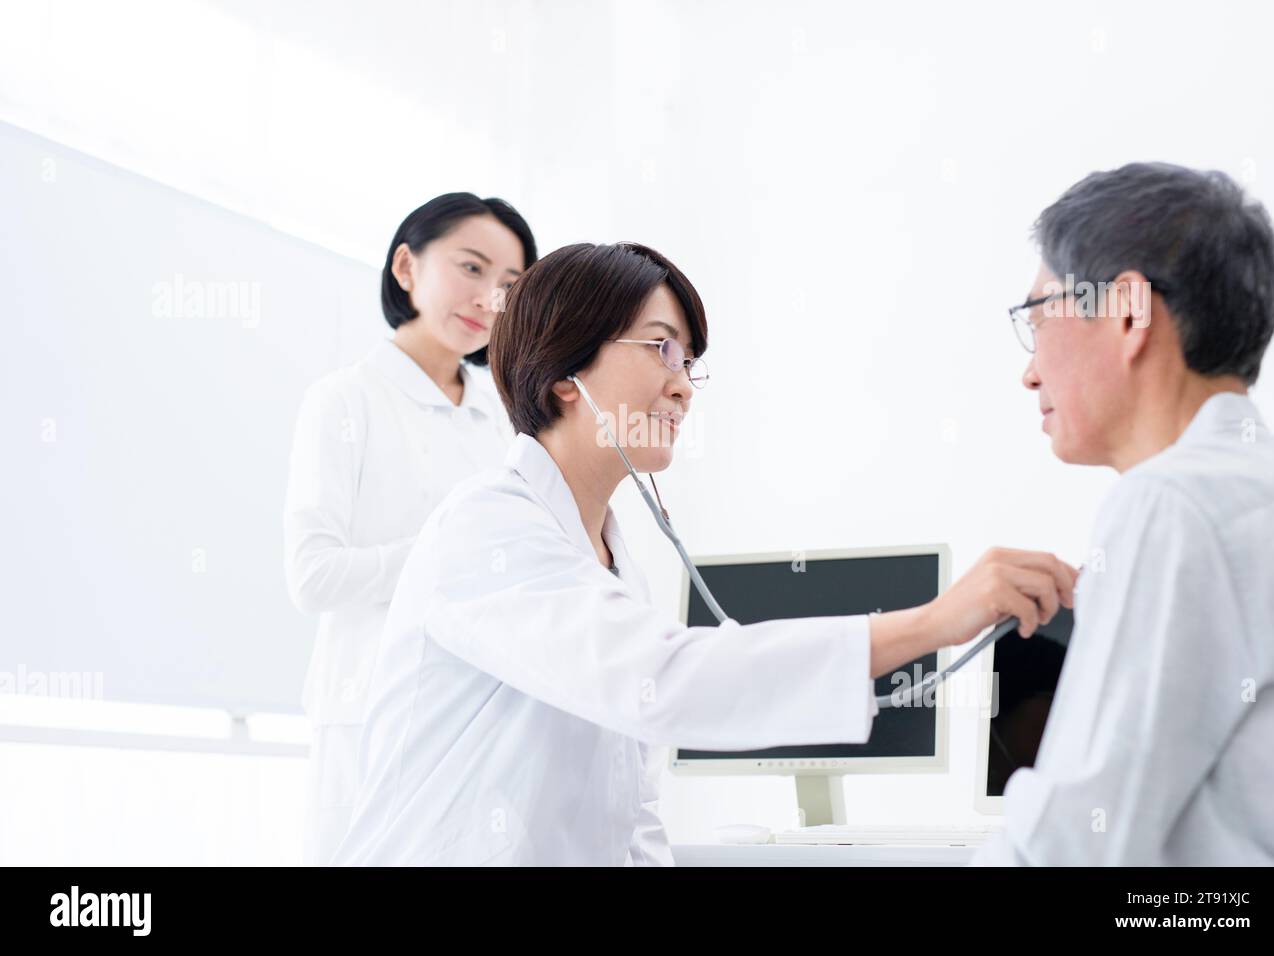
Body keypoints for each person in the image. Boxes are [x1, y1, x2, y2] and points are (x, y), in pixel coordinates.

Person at [333, 241, 1077, 866]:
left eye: (690, 362)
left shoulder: (611, 562)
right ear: (563, 373)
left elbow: (632, 817)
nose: (683, 387)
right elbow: (668, 678)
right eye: (661, 348)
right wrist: (938, 622)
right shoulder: (486, 528)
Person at [974, 162, 1274, 865]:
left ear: (1127, 312)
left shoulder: (1172, 504)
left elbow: (1073, 846)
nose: (1028, 371)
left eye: (1037, 316)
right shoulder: (1271, 489)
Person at [283, 192, 536, 865]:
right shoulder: (345, 400)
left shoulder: (505, 421)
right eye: (472, 268)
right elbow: (313, 576)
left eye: (509, 286)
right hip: (365, 711)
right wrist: (442, 557)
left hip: (477, 720)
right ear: (406, 266)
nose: (488, 298)